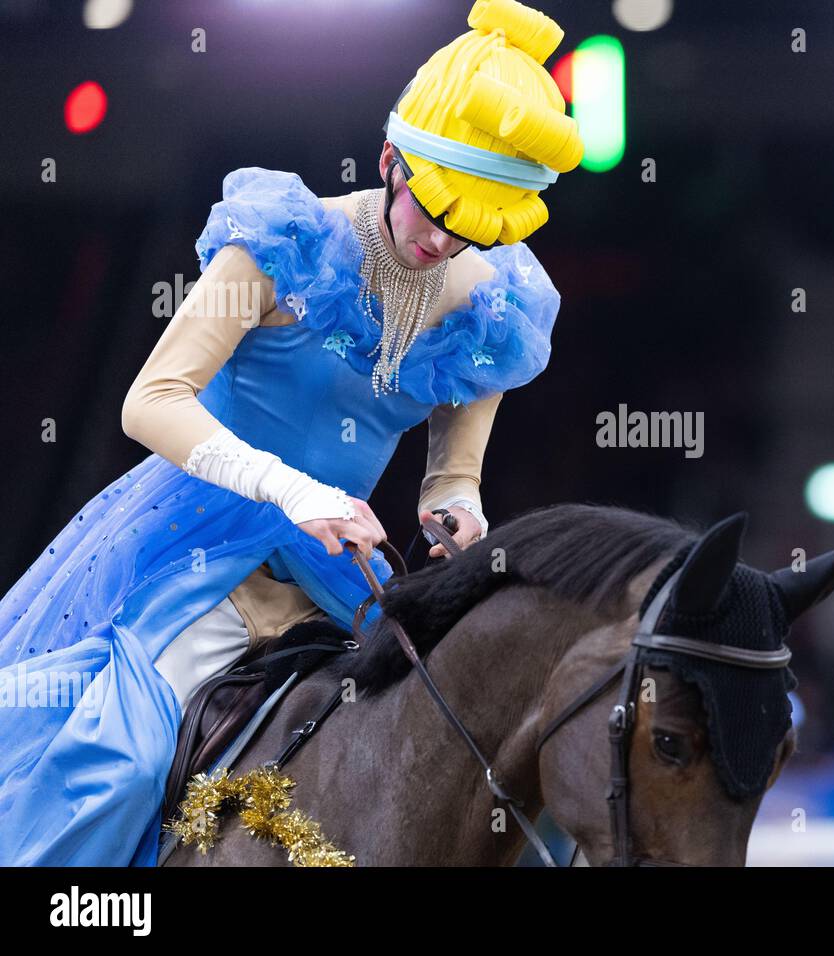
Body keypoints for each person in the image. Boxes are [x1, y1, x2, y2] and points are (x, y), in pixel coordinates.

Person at [0, 0, 582, 866]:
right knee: (112, 772)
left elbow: (453, 477)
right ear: (392, 160)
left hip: (341, 563)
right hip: (195, 545)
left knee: (489, 769)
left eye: (478, 227)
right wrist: (290, 488)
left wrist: (458, 513)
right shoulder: (282, 244)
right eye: (436, 210)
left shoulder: (494, 308)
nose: (446, 241)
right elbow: (150, 400)